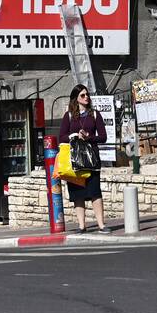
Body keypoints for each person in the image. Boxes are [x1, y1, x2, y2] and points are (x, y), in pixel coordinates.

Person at [59, 85, 108, 233]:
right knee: (77, 192)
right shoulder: (68, 116)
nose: (86, 97)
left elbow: (103, 137)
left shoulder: (94, 114)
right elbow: (61, 137)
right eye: (82, 95)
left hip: (91, 157)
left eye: (87, 95)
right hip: (75, 159)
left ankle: (101, 225)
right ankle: (82, 225)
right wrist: (75, 136)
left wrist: (89, 137)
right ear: (76, 99)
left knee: (95, 191)